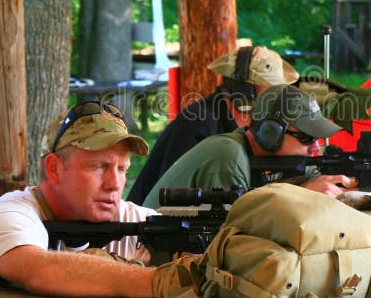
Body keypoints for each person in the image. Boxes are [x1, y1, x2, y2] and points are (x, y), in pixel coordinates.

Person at [0, 101, 187, 298]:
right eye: (99, 166)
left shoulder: (133, 219)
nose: (114, 184)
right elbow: (38, 271)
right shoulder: (11, 214)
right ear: (54, 168)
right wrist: (162, 281)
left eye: (122, 169)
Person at [127, 45, 298, 204]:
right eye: (270, 93)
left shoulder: (245, 127)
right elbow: (172, 196)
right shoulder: (197, 124)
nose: (275, 102)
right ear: (242, 93)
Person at [143, 84, 357, 208]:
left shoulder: (278, 158)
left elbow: (330, 181)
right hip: (146, 259)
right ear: (271, 133)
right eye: (307, 138)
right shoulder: (227, 155)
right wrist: (303, 193)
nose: (315, 148)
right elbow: (236, 233)